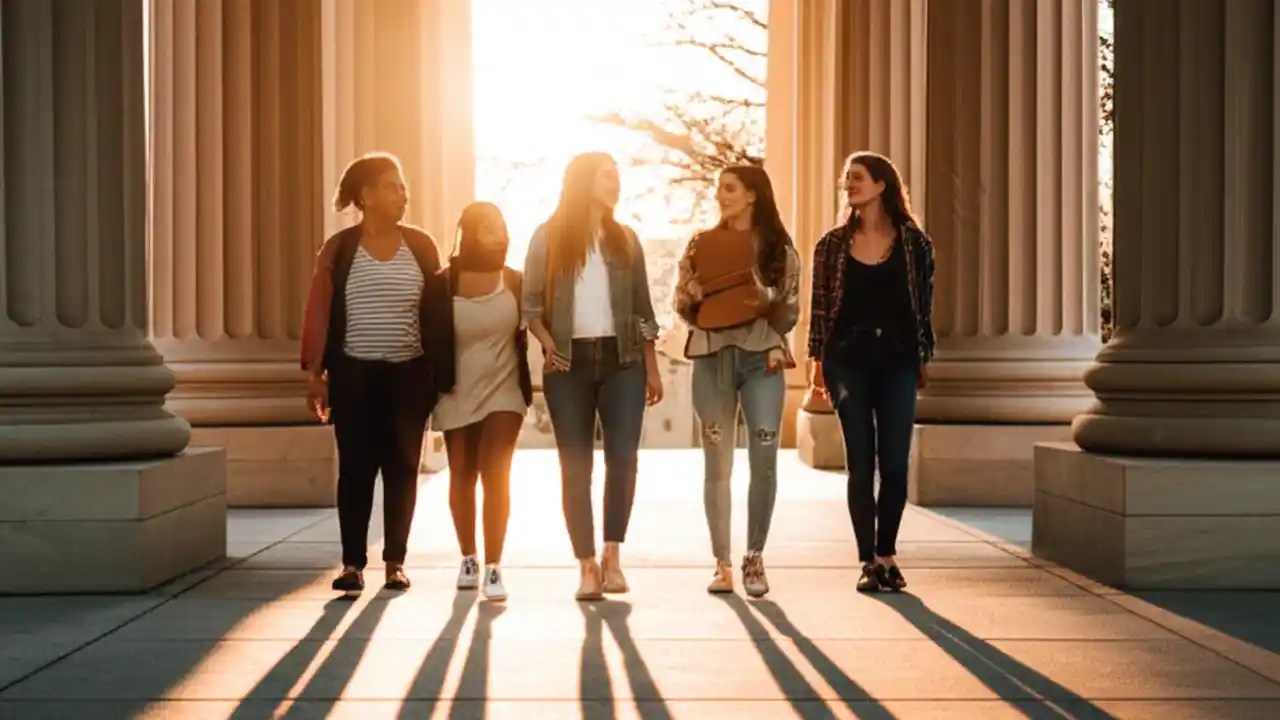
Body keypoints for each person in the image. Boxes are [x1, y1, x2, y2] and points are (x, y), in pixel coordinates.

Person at [522, 152, 663, 601]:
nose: (615, 183)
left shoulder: (626, 239)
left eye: (618, 176)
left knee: (623, 459)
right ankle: (585, 565)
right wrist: (549, 345)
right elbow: (530, 306)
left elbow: (643, 309)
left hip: (623, 361)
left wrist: (652, 366)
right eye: (607, 176)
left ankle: (612, 557)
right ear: (584, 181)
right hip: (569, 364)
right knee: (575, 464)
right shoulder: (548, 237)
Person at [300, 152, 442, 597]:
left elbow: (437, 312)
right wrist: (315, 373)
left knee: (402, 469)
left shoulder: (420, 246)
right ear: (366, 195)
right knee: (356, 470)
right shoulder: (340, 249)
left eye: (403, 187)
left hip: (409, 376)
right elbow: (319, 310)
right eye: (392, 186)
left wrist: (439, 372)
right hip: (354, 375)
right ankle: (352, 565)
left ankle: (395, 563)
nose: (403, 194)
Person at [808, 151, 935, 593]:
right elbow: (821, 312)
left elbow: (924, 307)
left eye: (858, 177)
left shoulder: (915, 245)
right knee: (860, 464)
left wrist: (923, 357)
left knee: (895, 463)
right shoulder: (830, 246)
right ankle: (867, 560)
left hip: (897, 358)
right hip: (848, 359)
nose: (849, 183)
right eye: (846, 178)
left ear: (882, 184)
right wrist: (817, 365)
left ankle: (888, 554)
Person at [674, 166, 799, 597]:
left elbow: (788, 311)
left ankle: (755, 558)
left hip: (762, 360)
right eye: (719, 190)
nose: (721, 196)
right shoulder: (698, 245)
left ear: (751, 195)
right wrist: (704, 295)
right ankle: (722, 563)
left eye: (729, 189)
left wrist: (762, 297)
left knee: (763, 458)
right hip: (710, 360)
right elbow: (683, 303)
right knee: (717, 463)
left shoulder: (778, 250)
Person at [429, 202, 531, 602]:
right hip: (455, 390)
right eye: (490, 227)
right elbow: (425, 337)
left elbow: (541, 320)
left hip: (505, 389)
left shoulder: (517, 281)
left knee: (495, 469)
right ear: (469, 233)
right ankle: (468, 557)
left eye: (503, 227)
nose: (500, 234)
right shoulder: (442, 284)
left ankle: (493, 567)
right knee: (461, 474)